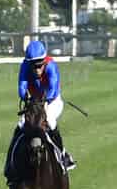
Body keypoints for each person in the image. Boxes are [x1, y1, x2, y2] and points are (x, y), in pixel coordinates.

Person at [6, 40, 75, 177]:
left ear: (44, 60)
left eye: (39, 65)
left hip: (52, 101)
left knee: (49, 120)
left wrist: (44, 101)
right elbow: (22, 87)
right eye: (33, 65)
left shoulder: (51, 65)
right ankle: (10, 163)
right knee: (20, 124)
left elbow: (53, 89)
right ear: (28, 62)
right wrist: (27, 98)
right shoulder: (25, 66)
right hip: (34, 102)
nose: (37, 69)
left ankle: (63, 156)